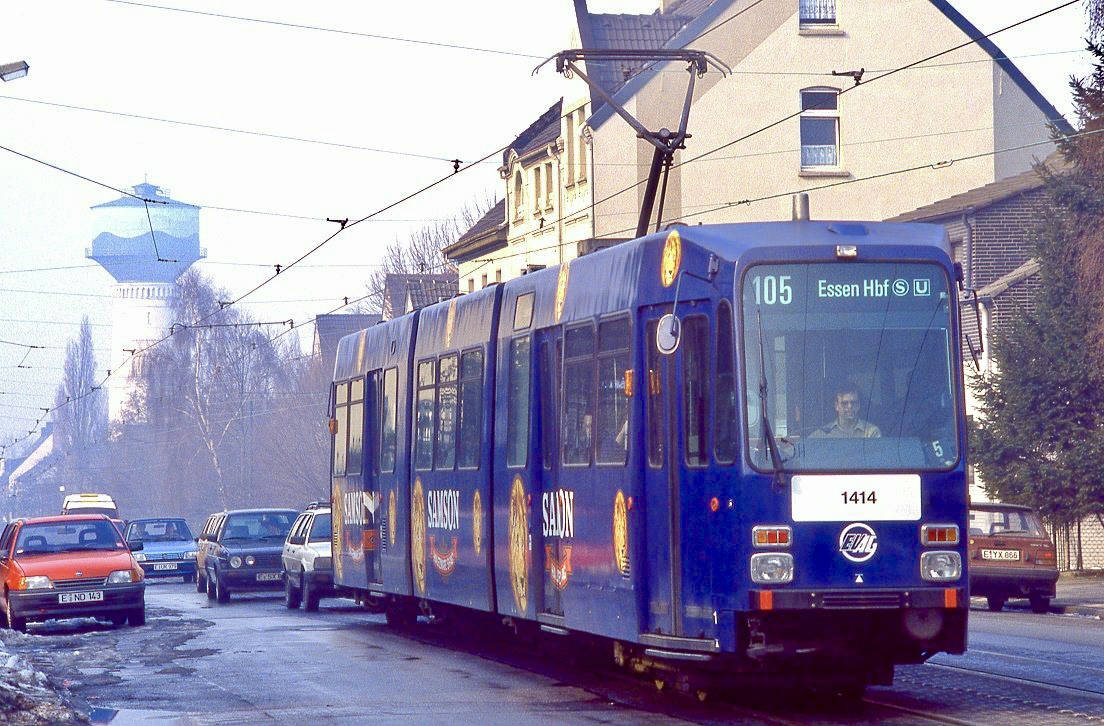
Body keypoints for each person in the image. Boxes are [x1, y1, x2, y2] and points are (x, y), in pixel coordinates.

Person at [811, 384, 881, 438]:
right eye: (844, 403)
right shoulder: (823, 434)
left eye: (853, 402)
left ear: (859, 405)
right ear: (836, 406)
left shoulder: (871, 433)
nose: (849, 406)